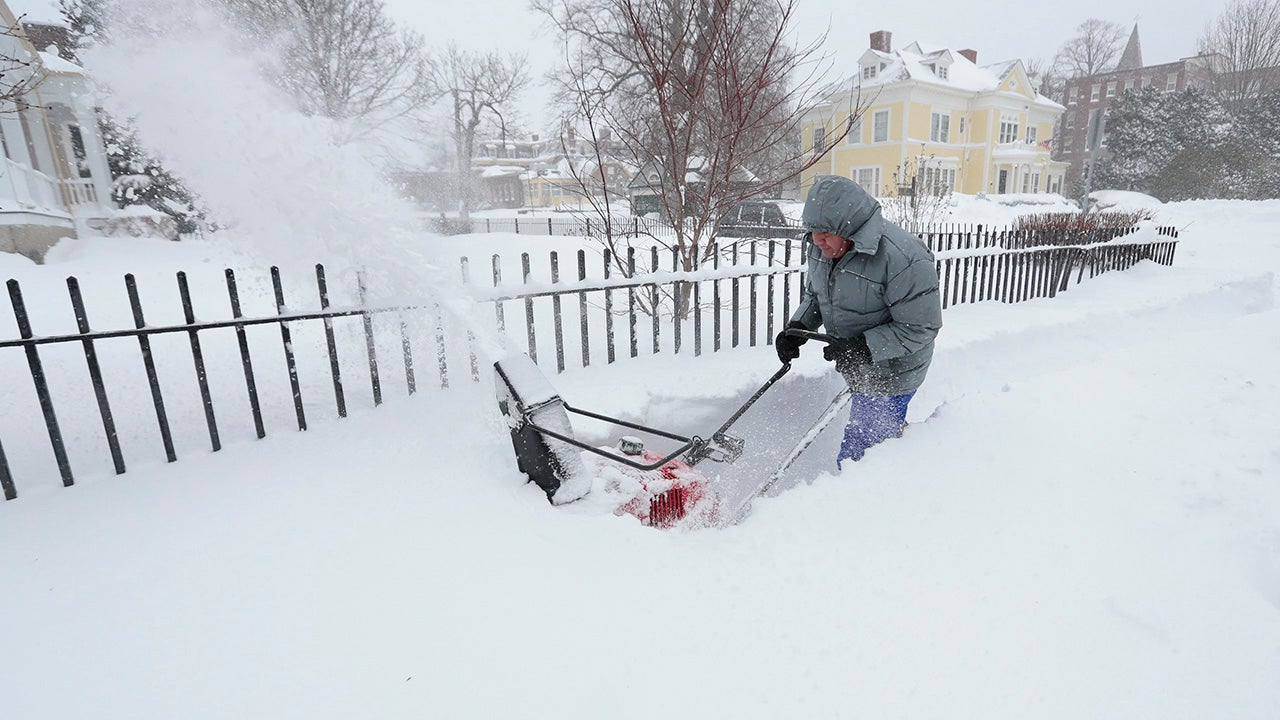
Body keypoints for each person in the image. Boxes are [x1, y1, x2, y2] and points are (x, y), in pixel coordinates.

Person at [774, 175, 942, 467]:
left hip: (893, 372)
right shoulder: (823, 248)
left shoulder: (903, 257)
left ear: (849, 226)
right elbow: (816, 295)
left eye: (825, 231)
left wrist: (863, 347)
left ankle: (869, 499)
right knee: (875, 446)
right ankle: (901, 454)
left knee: (859, 459)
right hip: (858, 364)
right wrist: (798, 329)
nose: (816, 240)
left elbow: (921, 327)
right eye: (812, 229)